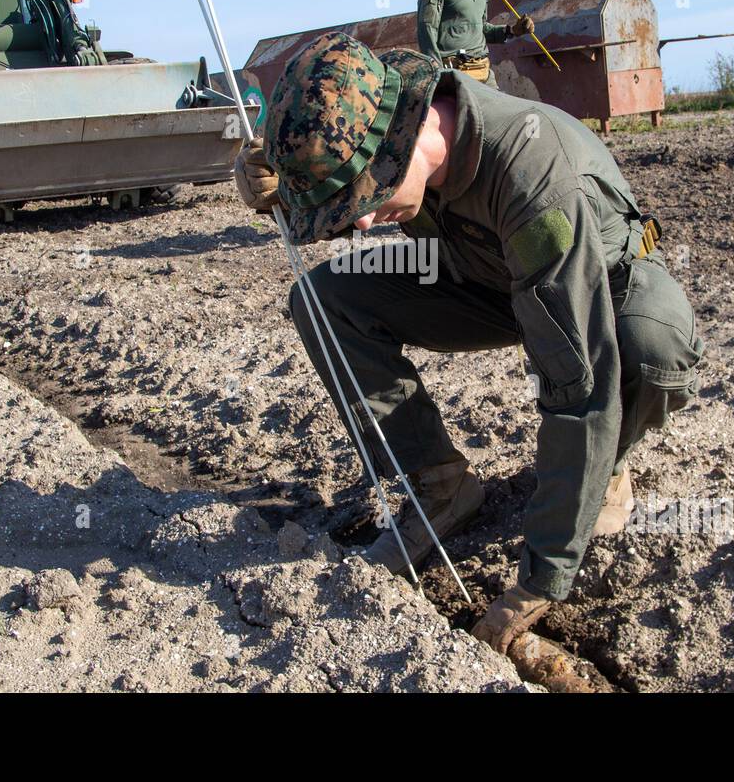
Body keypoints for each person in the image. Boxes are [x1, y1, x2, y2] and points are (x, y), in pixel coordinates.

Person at [233, 32, 703, 652]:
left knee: (651, 352)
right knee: (322, 301)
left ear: (413, 130)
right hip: (478, 276)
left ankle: (606, 471)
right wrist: (274, 187)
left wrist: (541, 579)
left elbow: (576, 385)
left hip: (596, 287)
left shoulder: (535, 179)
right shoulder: (399, 130)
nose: (365, 223)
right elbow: (326, 181)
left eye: (368, 198)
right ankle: (442, 484)